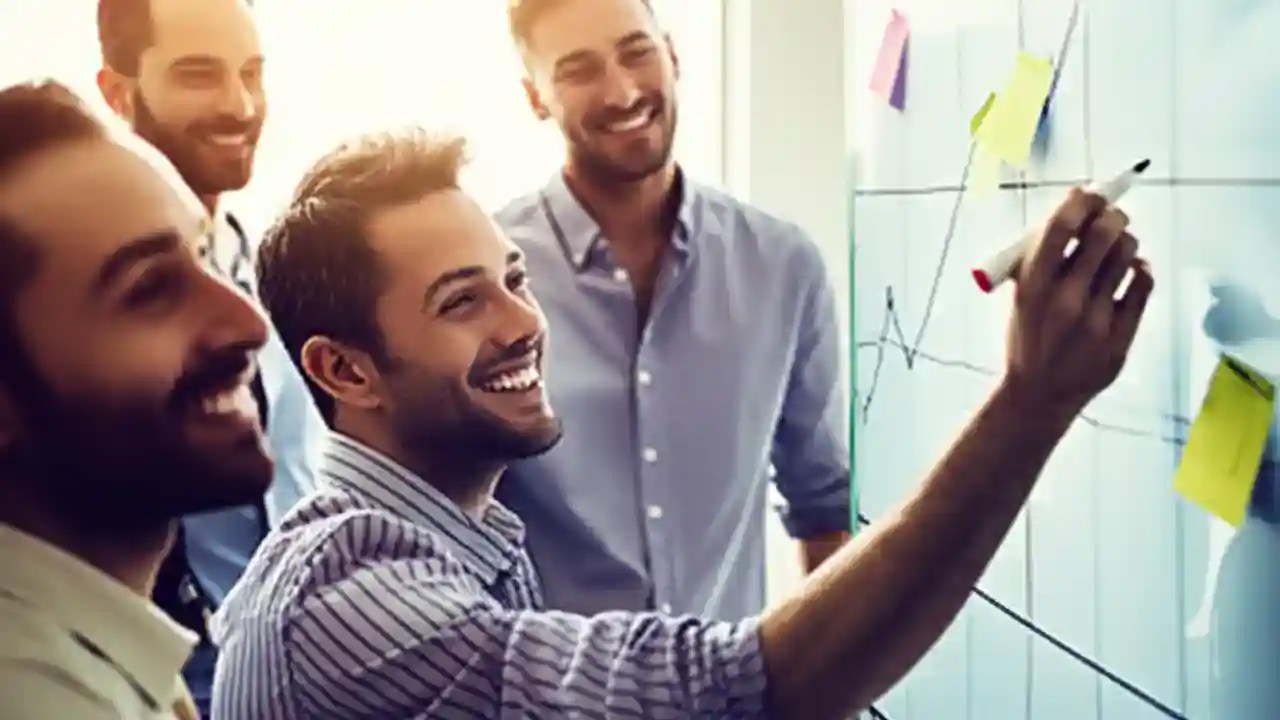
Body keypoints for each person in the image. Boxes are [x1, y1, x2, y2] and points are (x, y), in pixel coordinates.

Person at [211, 127, 1155, 719]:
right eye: (463, 304)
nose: (523, 323)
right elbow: (737, 691)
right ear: (344, 370)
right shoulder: (352, 604)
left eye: (512, 279)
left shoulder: (446, 543)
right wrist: (1031, 402)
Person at [494, 0, 850, 619]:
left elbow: (825, 510)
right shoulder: (489, 281)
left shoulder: (783, 266)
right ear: (535, 98)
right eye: (579, 70)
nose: (623, 91)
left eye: (637, 52)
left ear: (673, 55)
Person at [0, 80, 274, 719]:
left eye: (204, 254)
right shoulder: (40, 697)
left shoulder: (92, 653)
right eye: (150, 289)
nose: (249, 322)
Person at [94, 0, 326, 711]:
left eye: (251, 73)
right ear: (117, 92)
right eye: (199, 75)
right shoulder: (73, 303)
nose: (239, 105)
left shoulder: (269, 275)